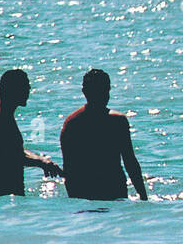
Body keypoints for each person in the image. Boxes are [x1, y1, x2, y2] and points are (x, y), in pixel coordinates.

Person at [60, 69, 148, 201]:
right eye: (100, 91)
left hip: (84, 194)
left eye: (104, 91)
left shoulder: (72, 123)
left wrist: (75, 199)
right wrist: (143, 196)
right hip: (113, 190)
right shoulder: (117, 121)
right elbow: (130, 162)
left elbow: (69, 170)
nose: (103, 95)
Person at [0, 69, 63, 196]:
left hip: (9, 193)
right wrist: (41, 162)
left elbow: (16, 150)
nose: (28, 91)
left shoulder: (5, 116)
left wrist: (43, 160)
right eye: (24, 87)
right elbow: (8, 156)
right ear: (11, 90)